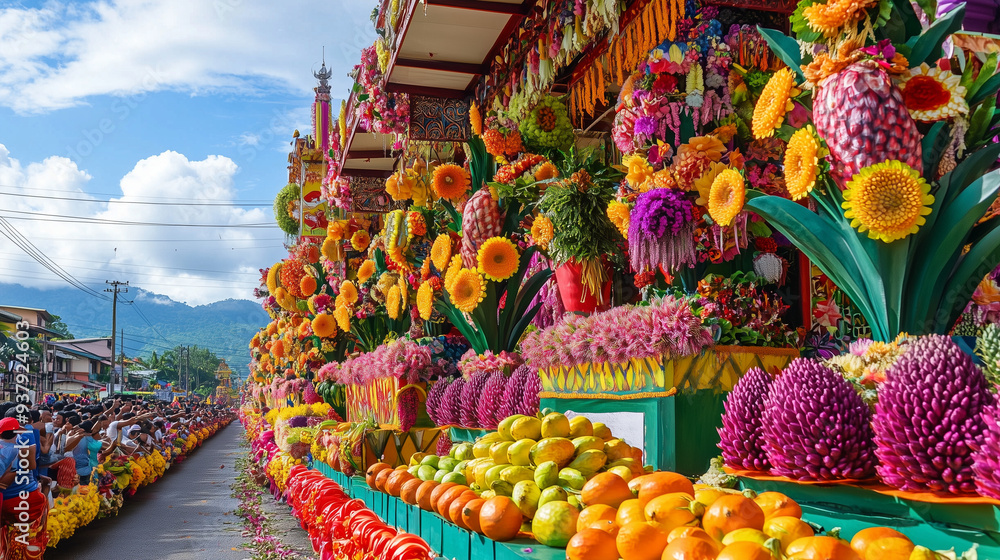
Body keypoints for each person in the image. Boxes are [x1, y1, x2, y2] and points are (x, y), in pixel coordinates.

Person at [0, 416, 48, 558]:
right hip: (27, 500)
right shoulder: (19, 450)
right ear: (17, 433)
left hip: (7, 503)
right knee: (29, 537)